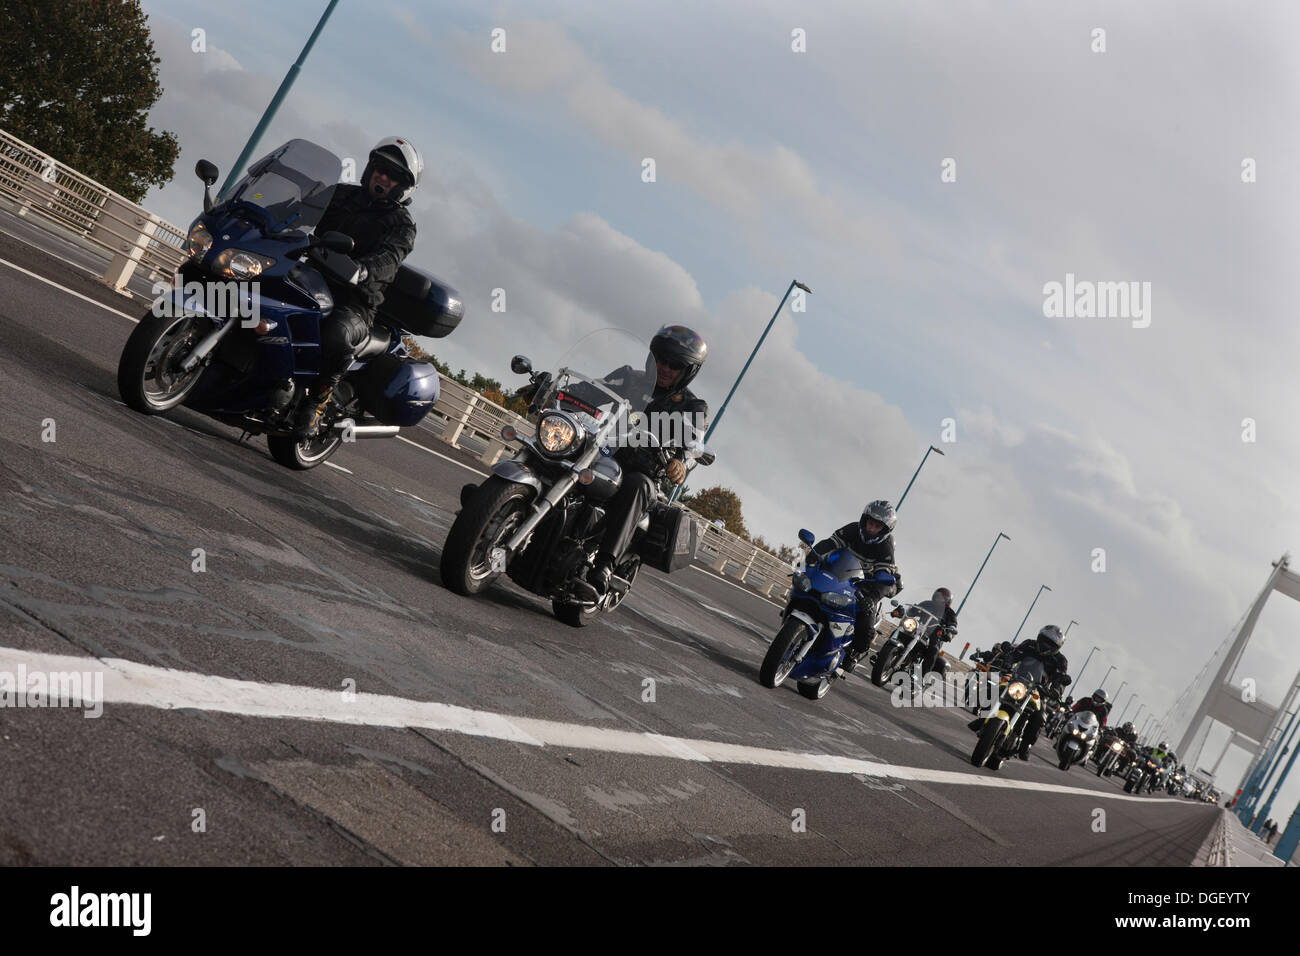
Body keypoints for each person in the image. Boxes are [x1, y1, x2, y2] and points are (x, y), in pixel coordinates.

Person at [294, 137, 422, 438]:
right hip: (310, 279)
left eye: (392, 175)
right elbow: (299, 209)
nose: (382, 177)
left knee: (336, 334)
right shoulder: (340, 195)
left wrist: (364, 270)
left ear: (403, 186)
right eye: (379, 168)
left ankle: (316, 404)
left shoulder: (402, 225)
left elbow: (390, 257)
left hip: (355, 302)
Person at [575, 326, 709, 600]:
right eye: (662, 359)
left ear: (688, 370)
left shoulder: (692, 407)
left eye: (675, 365)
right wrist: (553, 386)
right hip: (604, 454)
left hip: (646, 472)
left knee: (636, 485)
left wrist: (681, 461)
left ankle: (604, 567)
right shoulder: (628, 378)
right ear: (653, 357)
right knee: (566, 444)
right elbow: (591, 390)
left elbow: (693, 441)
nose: (666, 368)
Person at [811, 501, 902, 672]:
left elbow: (885, 578)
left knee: (865, 619)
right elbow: (829, 544)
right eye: (870, 522)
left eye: (877, 525)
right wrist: (811, 557)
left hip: (864, 587)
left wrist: (872, 597)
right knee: (810, 590)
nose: (871, 527)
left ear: (885, 529)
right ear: (864, 519)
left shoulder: (886, 546)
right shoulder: (852, 529)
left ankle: (854, 652)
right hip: (838, 576)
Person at [983, 624, 1070, 760]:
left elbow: (1060, 679)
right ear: (1039, 637)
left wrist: (1055, 690)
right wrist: (1007, 662)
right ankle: (982, 718)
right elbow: (1014, 655)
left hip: (1038, 690)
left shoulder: (1060, 660)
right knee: (994, 689)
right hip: (1017, 680)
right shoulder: (1029, 644)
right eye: (1044, 641)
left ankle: (1025, 745)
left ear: (1057, 647)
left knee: (1039, 717)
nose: (1046, 645)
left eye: (1050, 644)